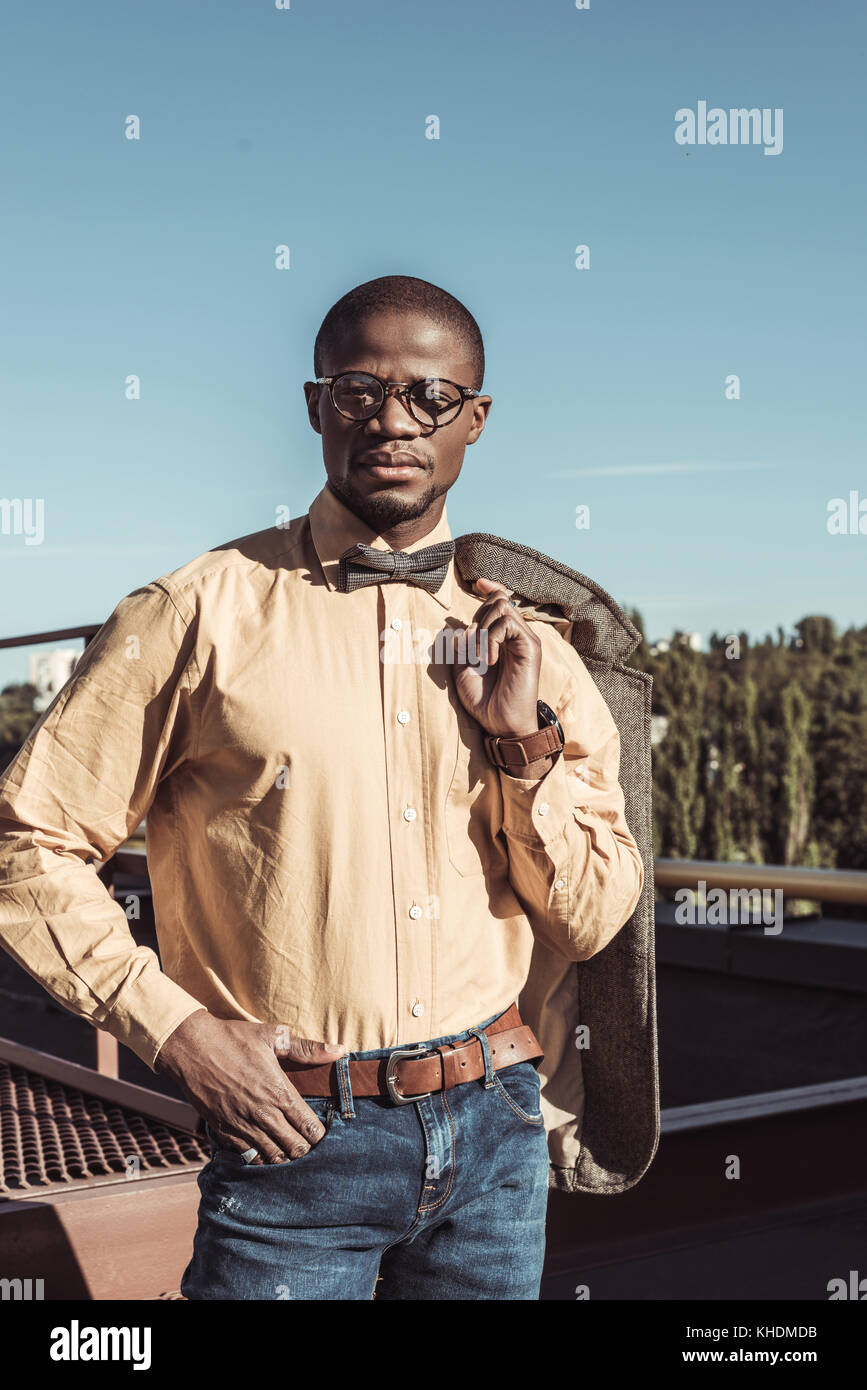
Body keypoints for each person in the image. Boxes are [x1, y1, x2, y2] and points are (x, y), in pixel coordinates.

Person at [0, 275, 647, 1300]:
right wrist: (179, 1033)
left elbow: (597, 911)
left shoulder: (538, 651)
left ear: (474, 420)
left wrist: (524, 748)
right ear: (315, 407)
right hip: (293, 1139)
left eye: (432, 396)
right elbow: (26, 844)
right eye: (359, 389)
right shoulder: (192, 614)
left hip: (498, 1141)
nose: (394, 418)